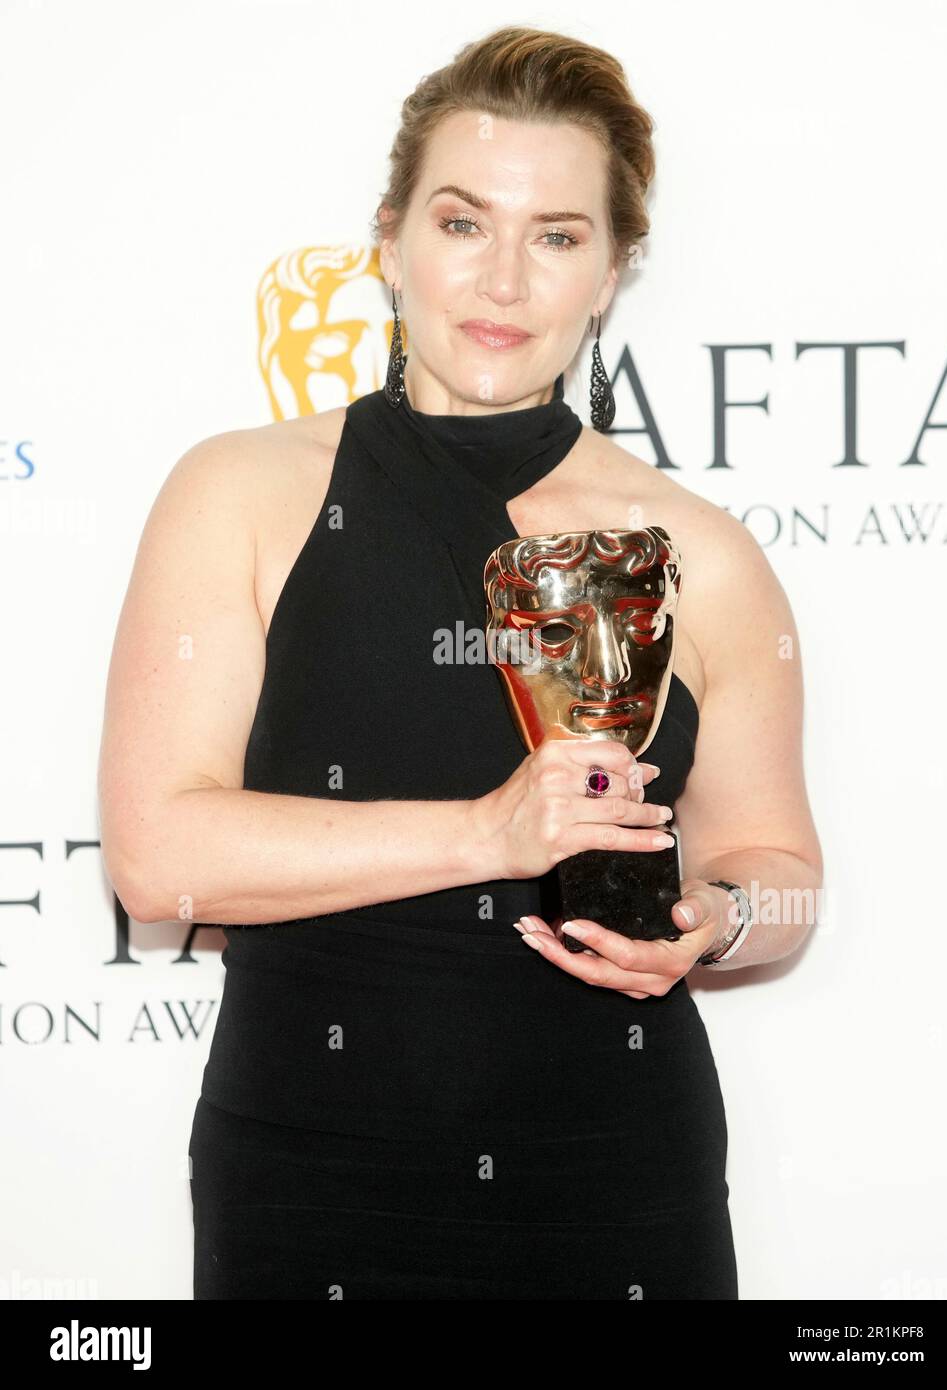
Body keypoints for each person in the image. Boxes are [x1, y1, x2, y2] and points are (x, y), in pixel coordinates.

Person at [97, 26, 822, 1300]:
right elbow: (158, 857)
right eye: (459, 221)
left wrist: (712, 921)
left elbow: (779, 873)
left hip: (616, 1178)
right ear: (388, 241)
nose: (501, 280)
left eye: (555, 235)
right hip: (312, 1182)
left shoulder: (697, 556)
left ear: (610, 273)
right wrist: (489, 834)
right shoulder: (242, 497)